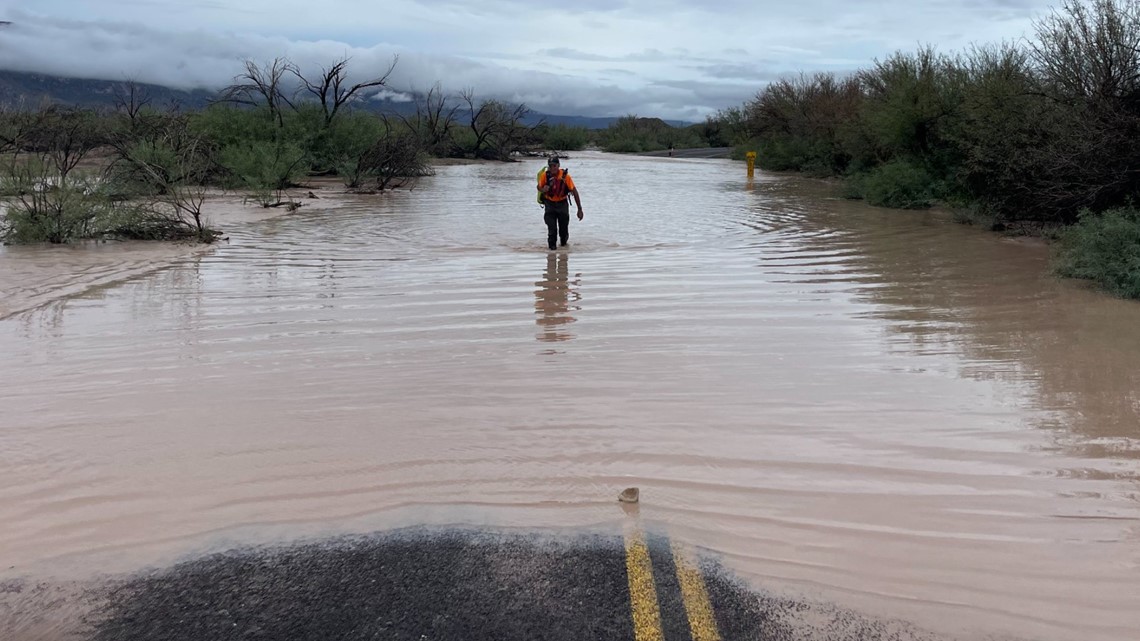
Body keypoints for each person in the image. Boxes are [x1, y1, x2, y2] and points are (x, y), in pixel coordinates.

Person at [537, 156, 583, 250]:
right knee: (552, 231)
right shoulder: (545, 176)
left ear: (558, 165)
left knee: (563, 232)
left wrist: (579, 209)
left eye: (554, 165)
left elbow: (574, 191)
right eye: (550, 166)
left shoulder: (566, 177)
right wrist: (542, 189)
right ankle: (551, 255)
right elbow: (539, 187)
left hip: (562, 204)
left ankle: (563, 250)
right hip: (549, 204)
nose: (552, 168)